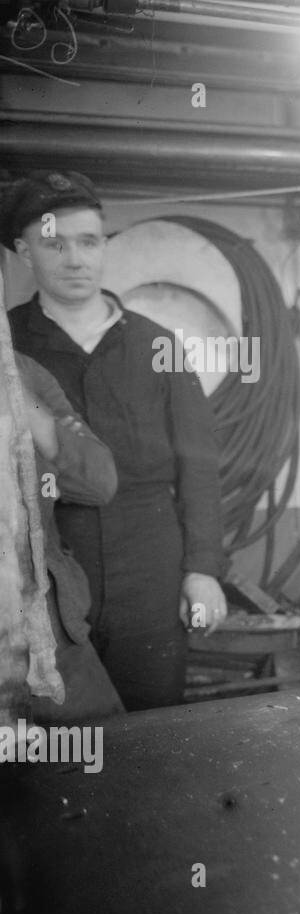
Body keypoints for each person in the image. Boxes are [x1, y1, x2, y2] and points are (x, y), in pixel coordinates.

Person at [1, 170, 227, 710]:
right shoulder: (9, 350)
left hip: (149, 559)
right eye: (54, 244)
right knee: (64, 737)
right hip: (45, 564)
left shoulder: (158, 344)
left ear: (105, 246)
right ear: (23, 252)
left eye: (88, 241)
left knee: (155, 723)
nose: (75, 259)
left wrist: (202, 571)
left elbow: (199, 465)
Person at [16, 350, 125, 720]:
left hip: (47, 630)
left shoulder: (22, 370)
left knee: (105, 761)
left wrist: (26, 406)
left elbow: (99, 483)